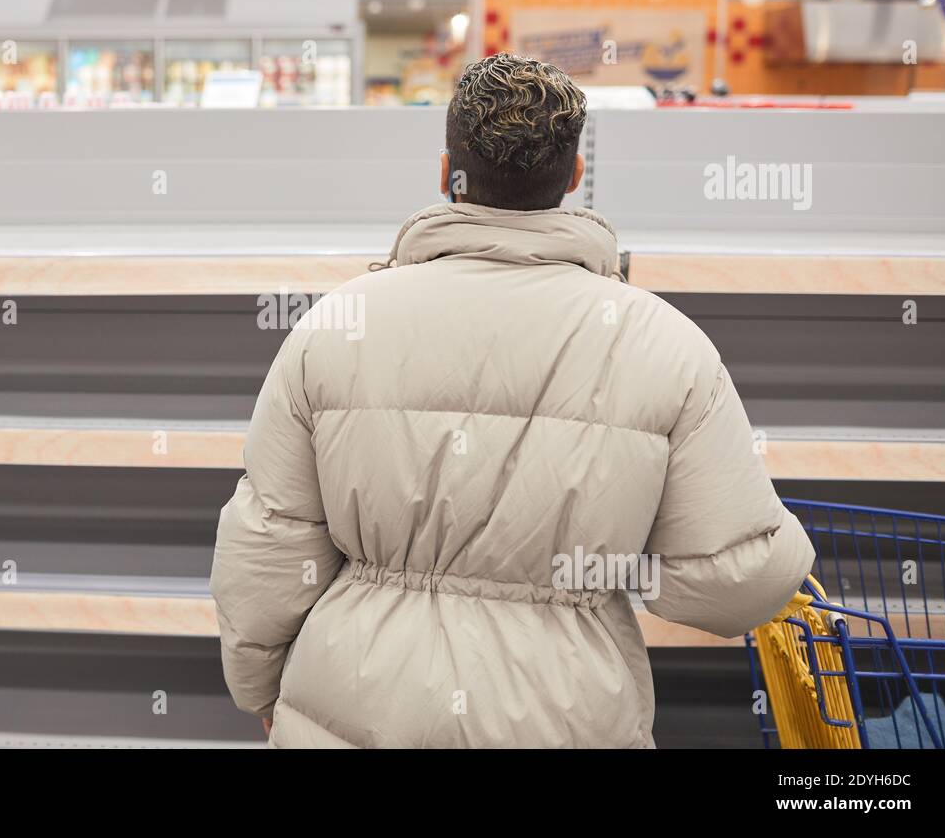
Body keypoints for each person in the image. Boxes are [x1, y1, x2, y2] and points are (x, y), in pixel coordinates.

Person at [209, 53, 815, 748]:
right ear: (576, 180)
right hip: (567, 715)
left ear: (446, 174)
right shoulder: (665, 343)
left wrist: (258, 687)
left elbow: (268, 549)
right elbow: (738, 583)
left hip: (358, 709)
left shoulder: (338, 325)